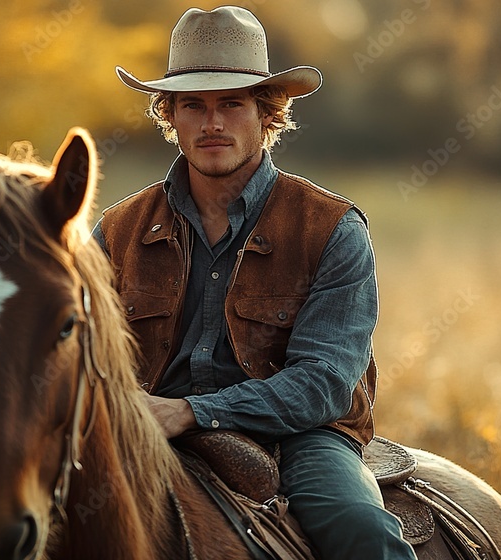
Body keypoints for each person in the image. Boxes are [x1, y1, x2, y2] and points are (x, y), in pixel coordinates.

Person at [91, 6, 418, 559]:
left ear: (268, 112)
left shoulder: (330, 228)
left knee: (360, 530)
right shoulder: (117, 232)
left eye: (231, 104)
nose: (212, 123)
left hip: (301, 436)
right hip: (141, 424)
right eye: (193, 105)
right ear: (170, 114)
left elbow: (324, 384)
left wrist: (191, 412)